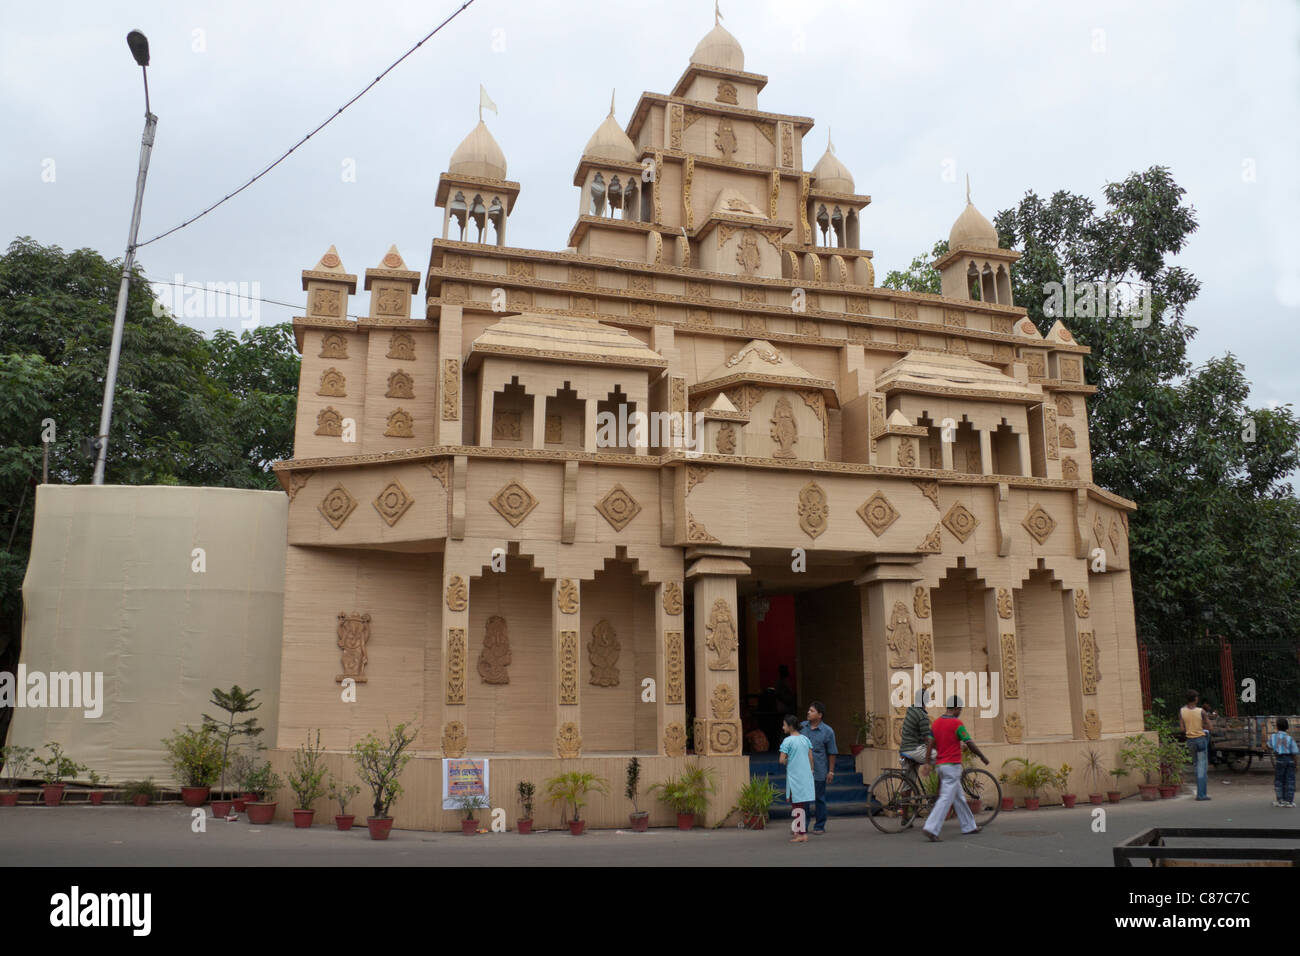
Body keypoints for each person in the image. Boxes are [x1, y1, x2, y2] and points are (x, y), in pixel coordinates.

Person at [922, 695, 989, 842]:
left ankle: (969, 826)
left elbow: (930, 744)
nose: (960, 712)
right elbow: (969, 742)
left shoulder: (936, 723)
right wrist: (982, 757)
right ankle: (931, 828)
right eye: (960, 710)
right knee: (946, 798)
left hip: (940, 766)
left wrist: (927, 762)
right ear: (957, 708)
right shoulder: (956, 723)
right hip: (952, 766)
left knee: (958, 798)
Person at [799, 701, 838, 834]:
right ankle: (802, 826)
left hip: (819, 769)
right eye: (809, 710)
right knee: (803, 799)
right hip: (802, 769)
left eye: (812, 711)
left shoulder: (828, 731)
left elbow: (832, 752)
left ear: (820, 715)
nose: (808, 713)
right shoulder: (801, 727)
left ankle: (819, 825)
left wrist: (831, 771)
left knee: (819, 798)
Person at [779, 714, 815, 842]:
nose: (783, 727)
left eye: (784, 725)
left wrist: (789, 759)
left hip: (794, 777)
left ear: (790, 726)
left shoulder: (787, 741)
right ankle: (799, 832)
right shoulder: (805, 739)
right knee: (802, 805)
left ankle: (801, 834)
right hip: (806, 776)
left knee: (797, 806)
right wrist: (811, 770)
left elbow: (781, 760)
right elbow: (811, 758)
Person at [1179, 690, 1212, 801]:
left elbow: (1182, 729)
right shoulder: (1201, 711)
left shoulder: (1182, 711)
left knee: (1196, 765)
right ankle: (1201, 794)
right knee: (1202, 767)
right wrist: (1202, 727)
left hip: (1190, 741)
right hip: (1201, 739)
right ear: (1195, 699)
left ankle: (1200, 793)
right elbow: (1210, 726)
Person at [899, 687, 934, 779]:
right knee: (941, 756)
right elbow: (928, 740)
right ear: (926, 700)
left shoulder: (911, 709)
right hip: (914, 749)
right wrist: (927, 763)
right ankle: (941, 787)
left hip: (904, 748)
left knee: (909, 783)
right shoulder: (922, 716)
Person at [1268, 717, 1298, 808]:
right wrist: (1296, 764)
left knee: (1279, 780)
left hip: (1279, 759)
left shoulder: (1273, 737)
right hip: (1290, 760)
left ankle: (1280, 800)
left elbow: (1268, 746)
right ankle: (1289, 801)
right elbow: (1295, 752)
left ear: (1276, 727)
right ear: (1287, 728)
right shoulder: (1290, 738)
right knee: (1290, 780)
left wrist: (1275, 750)